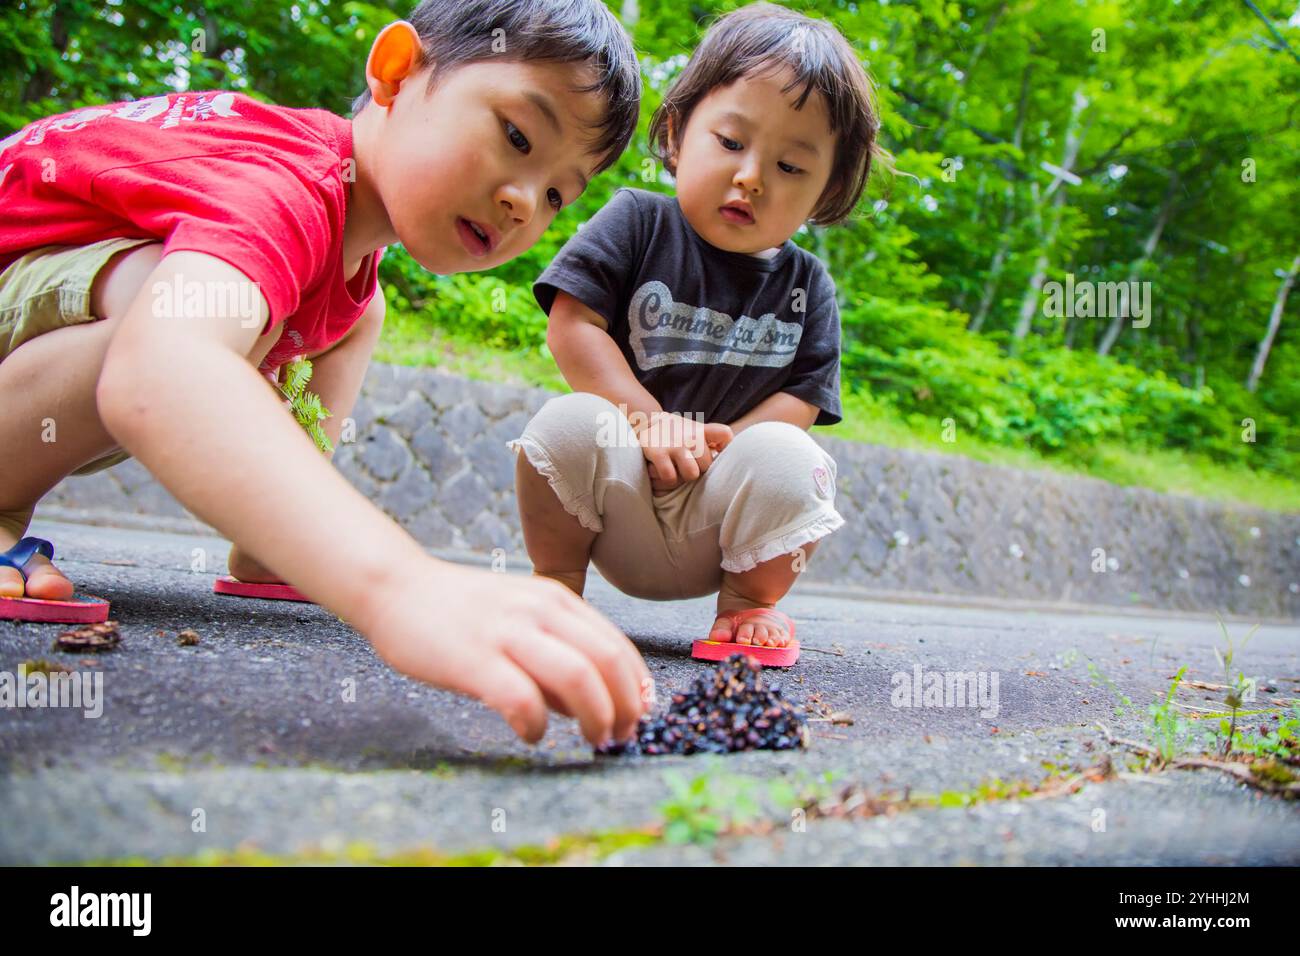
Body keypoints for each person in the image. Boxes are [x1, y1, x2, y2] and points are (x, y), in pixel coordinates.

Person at [0, 0, 650, 749]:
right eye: (515, 136)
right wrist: (399, 587)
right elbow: (159, 370)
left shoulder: (352, 286)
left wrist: (297, 543)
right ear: (397, 72)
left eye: (558, 195)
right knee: (186, 300)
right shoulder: (286, 183)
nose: (522, 201)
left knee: (301, 307)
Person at [511, 2, 888, 658]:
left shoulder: (809, 286)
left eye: (791, 167)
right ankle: (556, 587)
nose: (751, 177)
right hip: (618, 494)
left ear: (826, 191)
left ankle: (746, 608)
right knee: (565, 423)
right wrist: (648, 421)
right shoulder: (635, 221)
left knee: (795, 458)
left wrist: (721, 449)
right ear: (680, 134)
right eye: (732, 142)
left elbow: (804, 397)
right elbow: (574, 324)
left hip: (723, 527)